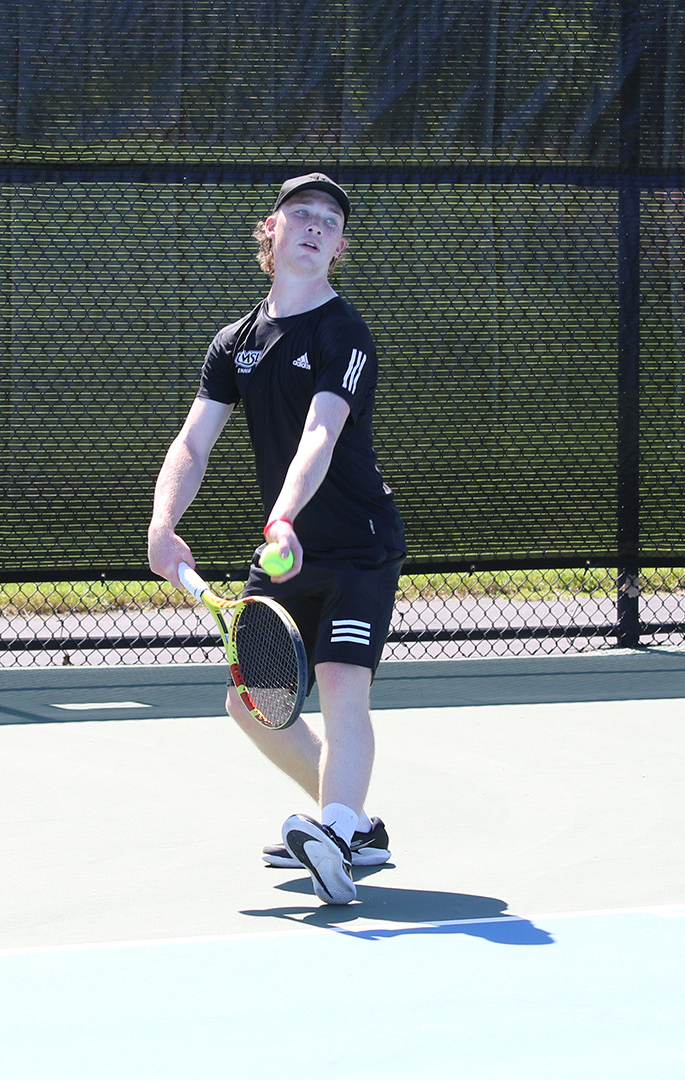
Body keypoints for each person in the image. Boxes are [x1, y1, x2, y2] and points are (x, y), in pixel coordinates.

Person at [147, 173, 408, 906]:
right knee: (251, 701)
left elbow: (321, 433)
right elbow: (192, 445)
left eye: (330, 221)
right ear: (273, 230)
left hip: (357, 545)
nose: (316, 226)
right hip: (286, 550)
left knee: (338, 687)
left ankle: (333, 828)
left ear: (339, 249)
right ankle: (350, 824)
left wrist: (283, 516)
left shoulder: (342, 333)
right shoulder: (235, 344)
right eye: (302, 214)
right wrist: (163, 525)